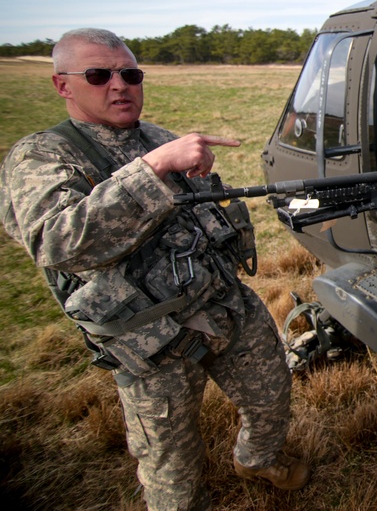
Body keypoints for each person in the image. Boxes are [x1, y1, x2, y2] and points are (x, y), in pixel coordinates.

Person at [0, 28, 309, 510]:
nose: (119, 85)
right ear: (63, 86)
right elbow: (56, 242)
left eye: (130, 73)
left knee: (272, 399)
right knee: (171, 465)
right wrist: (153, 170)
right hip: (152, 341)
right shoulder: (42, 155)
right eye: (99, 75)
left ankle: (257, 457)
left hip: (224, 306)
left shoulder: (158, 137)